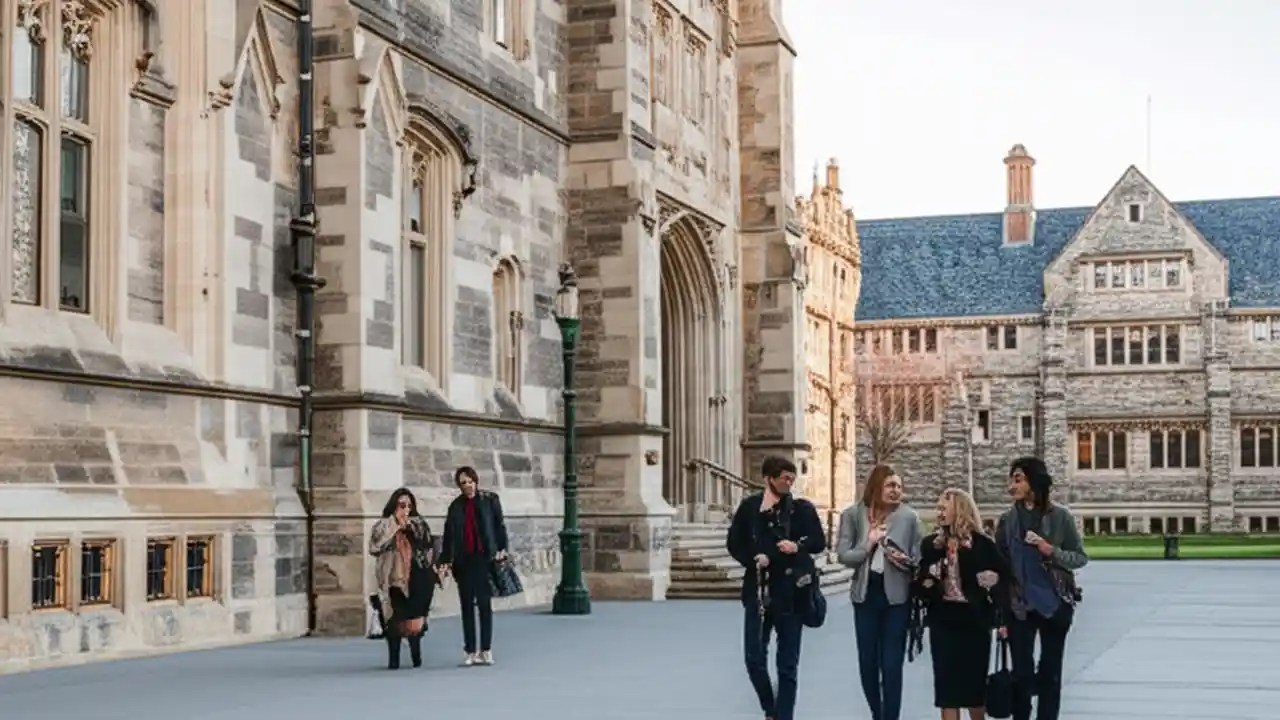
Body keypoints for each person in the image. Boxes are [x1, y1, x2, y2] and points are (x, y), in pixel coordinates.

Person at [726, 456, 825, 720]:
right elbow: (734, 543)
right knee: (754, 657)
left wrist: (797, 547)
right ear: (769, 478)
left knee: (787, 665)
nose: (790, 482)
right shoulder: (750, 508)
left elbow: (818, 541)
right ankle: (771, 709)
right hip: (758, 592)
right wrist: (753, 558)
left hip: (792, 593)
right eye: (785, 478)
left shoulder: (801, 509)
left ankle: (784, 716)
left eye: (792, 478)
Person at [995, 457, 1088, 720]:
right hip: (1019, 607)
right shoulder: (1007, 520)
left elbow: (1080, 557)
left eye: (1018, 478)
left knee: (1050, 674)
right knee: (1021, 674)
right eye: (1011, 478)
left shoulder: (1060, 517)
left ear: (1034, 482)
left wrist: (1051, 551)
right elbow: (1001, 568)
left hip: (1054, 604)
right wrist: (1000, 614)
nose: (1012, 485)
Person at [834, 464, 922, 720]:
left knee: (892, 664)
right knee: (868, 663)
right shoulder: (852, 515)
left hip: (897, 598)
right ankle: (877, 712)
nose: (896, 491)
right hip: (866, 595)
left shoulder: (910, 517)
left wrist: (902, 559)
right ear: (876, 486)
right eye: (890, 485)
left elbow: (918, 558)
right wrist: (868, 543)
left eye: (899, 486)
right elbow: (844, 556)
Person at [916, 488, 1009, 720]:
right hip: (943, 621)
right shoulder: (931, 545)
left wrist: (993, 581)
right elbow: (920, 584)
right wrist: (927, 581)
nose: (938, 513)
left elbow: (1005, 577)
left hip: (974, 621)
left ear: (959, 511)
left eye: (942, 508)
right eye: (937, 508)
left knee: (974, 689)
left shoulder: (982, 545)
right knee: (947, 692)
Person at [438, 465, 510, 667]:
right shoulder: (456, 507)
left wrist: (502, 548)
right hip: (464, 561)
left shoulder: (489, 500)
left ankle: (486, 649)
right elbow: (449, 535)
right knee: (467, 606)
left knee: (485, 605)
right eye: (463, 483)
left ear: (476, 481)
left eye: (470, 481)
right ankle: (470, 650)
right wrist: (444, 560)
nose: (468, 486)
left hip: (484, 558)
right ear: (459, 486)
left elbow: (499, 525)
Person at [368, 487, 439, 669]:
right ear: (394, 506)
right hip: (392, 579)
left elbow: (427, 544)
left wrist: (410, 528)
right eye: (401, 505)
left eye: (409, 505)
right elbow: (375, 547)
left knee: (414, 621)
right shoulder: (384, 525)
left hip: (416, 578)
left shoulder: (418, 524)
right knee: (393, 620)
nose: (406, 509)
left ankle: (416, 655)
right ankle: (394, 659)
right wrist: (395, 526)